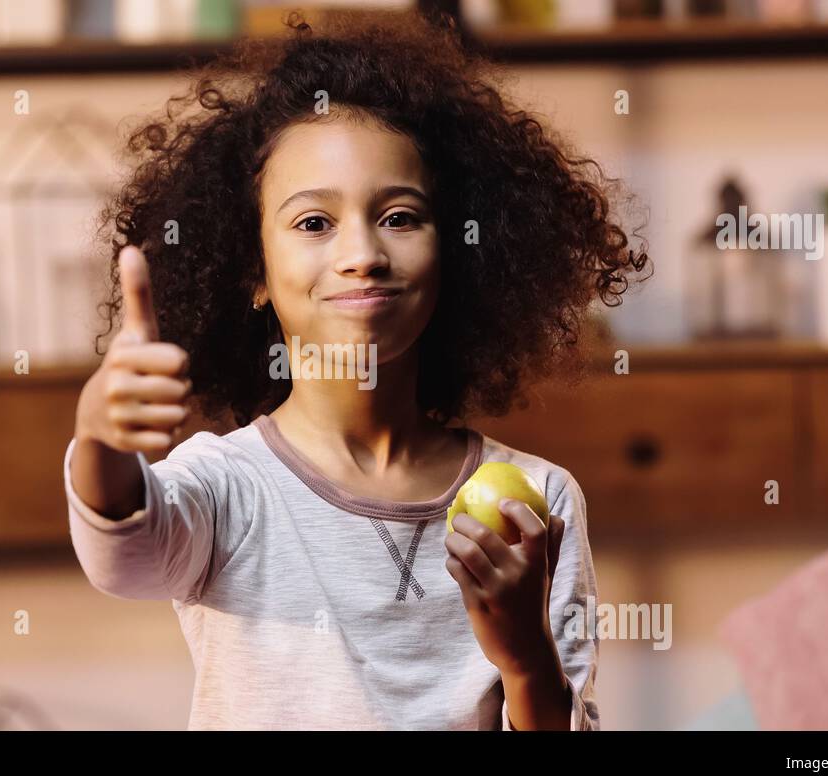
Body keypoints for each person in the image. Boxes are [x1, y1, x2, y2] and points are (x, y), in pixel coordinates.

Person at [65, 10, 648, 730]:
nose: (363, 252)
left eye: (400, 217)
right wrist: (100, 436)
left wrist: (526, 658)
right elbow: (121, 556)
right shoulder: (226, 487)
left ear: (457, 253)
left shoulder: (541, 500)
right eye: (314, 223)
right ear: (254, 270)